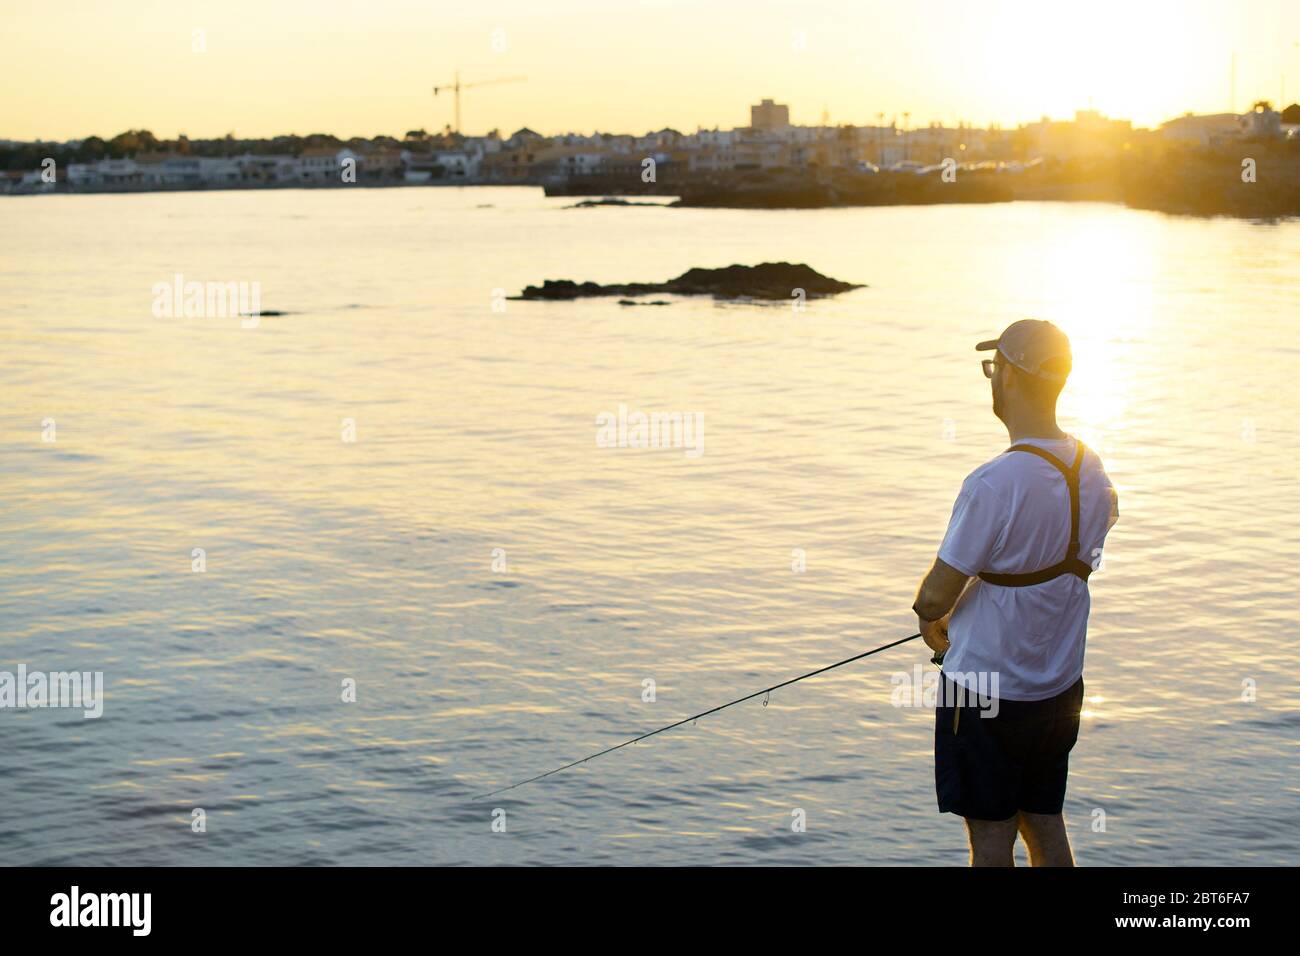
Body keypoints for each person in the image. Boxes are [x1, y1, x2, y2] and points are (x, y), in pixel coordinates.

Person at [912, 319, 1120, 866]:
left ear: (1009, 376)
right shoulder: (1091, 469)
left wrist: (932, 621)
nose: (991, 378)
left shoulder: (993, 482)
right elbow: (1068, 554)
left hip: (983, 689)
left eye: (994, 366)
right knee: (1045, 823)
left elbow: (934, 598)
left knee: (990, 838)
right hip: (1058, 687)